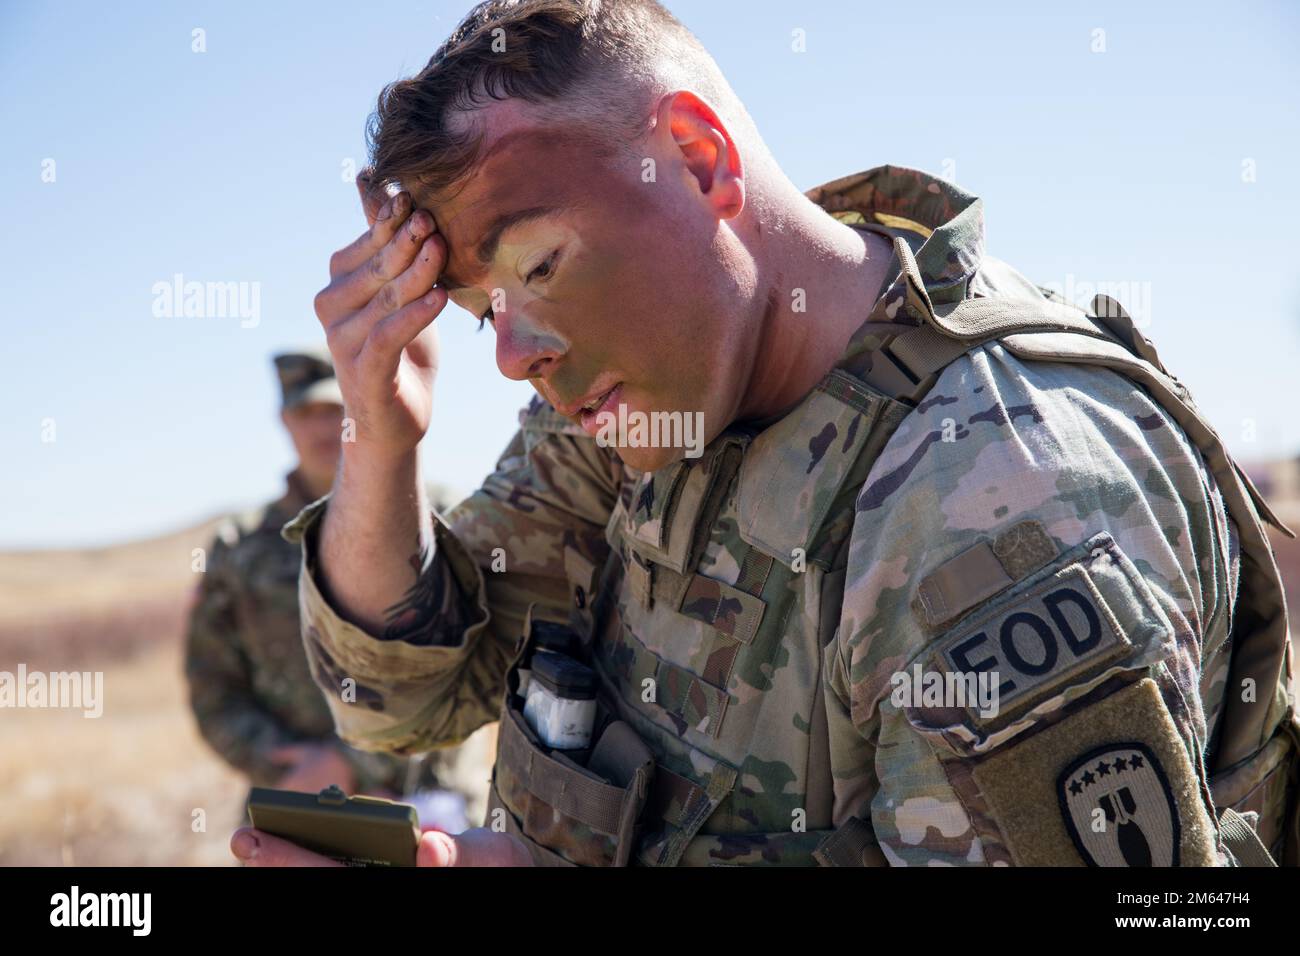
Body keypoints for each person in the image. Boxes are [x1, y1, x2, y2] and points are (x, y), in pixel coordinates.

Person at [232, 0, 1297, 867]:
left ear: (697, 159)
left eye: (538, 266)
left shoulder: (996, 497)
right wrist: (380, 434)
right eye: (480, 312)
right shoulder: (641, 400)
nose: (513, 353)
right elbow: (403, 702)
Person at [186, 349, 490, 832]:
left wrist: (354, 765)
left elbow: (477, 664)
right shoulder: (239, 548)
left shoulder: (442, 518)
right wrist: (291, 765)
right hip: (302, 811)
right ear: (285, 421)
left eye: (336, 409)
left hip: (435, 807)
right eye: (307, 413)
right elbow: (213, 687)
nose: (323, 427)